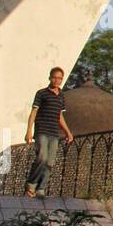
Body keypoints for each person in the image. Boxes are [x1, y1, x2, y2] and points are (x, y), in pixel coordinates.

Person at [24, 67, 74, 198]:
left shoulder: (62, 95)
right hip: (42, 130)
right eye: (55, 77)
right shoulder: (41, 93)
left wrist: (68, 132)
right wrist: (29, 131)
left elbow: (59, 116)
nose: (57, 80)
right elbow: (34, 112)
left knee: (50, 162)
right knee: (42, 157)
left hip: (54, 132)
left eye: (60, 78)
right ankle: (31, 183)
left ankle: (41, 188)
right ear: (50, 77)